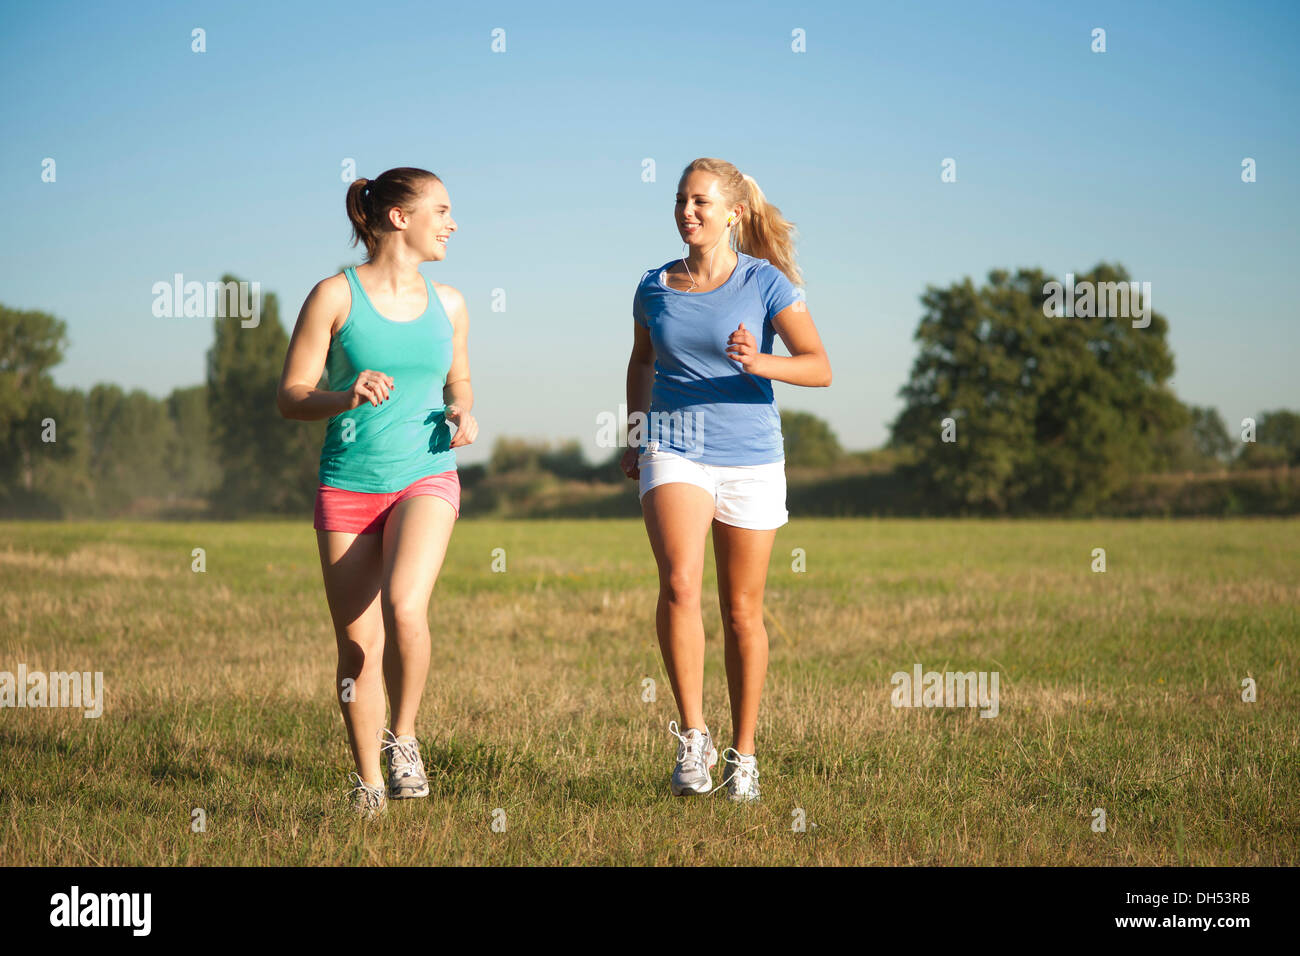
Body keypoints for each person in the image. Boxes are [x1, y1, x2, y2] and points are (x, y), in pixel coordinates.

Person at [622, 158, 831, 801]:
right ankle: (693, 739)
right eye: (681, 200)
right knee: (680, 584)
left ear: (733, 213)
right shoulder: (654, 285)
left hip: (750, 454)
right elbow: (641, 359)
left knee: (742, 612)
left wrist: (759, 359)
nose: (687, 211)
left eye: (701, 202)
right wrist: (634, 434)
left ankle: (744, 754)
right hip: (673, 444)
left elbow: (819, 367)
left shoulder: (765, 283)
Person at [277, 167, 478, 818]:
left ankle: (406, 736)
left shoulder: (450, 303)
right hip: (349, 482)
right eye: (442, 210)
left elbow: (461, 381)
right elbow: (291, 397)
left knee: (404, 607)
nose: (453, 223)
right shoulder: (333, 297)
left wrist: (463, 412)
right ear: (400, 217)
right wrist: (346, 394)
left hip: (426, 473)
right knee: (358, 645)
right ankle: (367, 784)